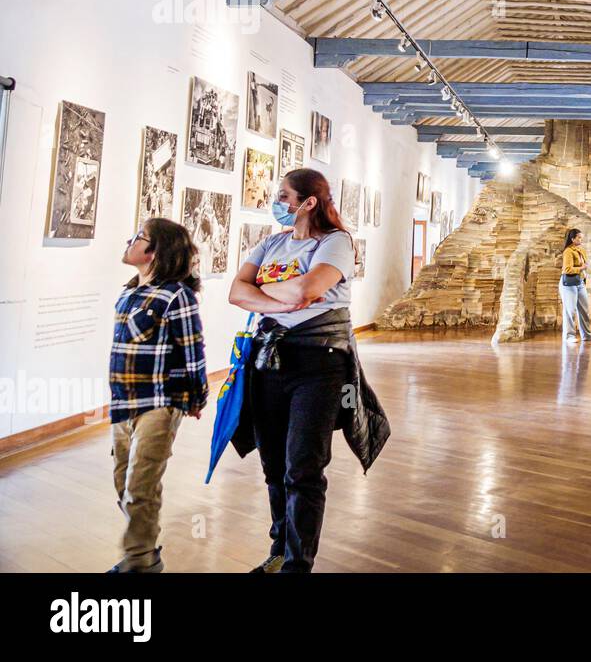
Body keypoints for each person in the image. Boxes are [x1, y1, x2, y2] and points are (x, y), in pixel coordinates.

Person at [228, 168, 389, 573]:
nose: (278, 203)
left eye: (283, 196)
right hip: (268, 361)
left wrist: (262, 295)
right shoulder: (271, 243)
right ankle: (279, 549)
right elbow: (235, 292)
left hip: (319, 363)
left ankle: (298, 565)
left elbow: (307, 290)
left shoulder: (335, 242)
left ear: (308, 201)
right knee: (273, 464)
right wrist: (282, 299)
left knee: (303, 465)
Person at [108, 218, 208, 573]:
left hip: (159, 403)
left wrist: (195, 398)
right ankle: (145, 553)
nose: (131, 241)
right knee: (123, 482)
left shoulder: (176, 295)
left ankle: (140, 561)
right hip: (122, 402)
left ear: (155, 251)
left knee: (140, 485)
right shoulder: (128, 291)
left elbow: (192, 350)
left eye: (139, 237)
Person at [559, 227, 591, 345]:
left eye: (581, 237)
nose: (581, 240)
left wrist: (586, 268)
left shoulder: (581, 250)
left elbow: (585, 265)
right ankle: (569, 336)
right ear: (572, 239)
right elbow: (567, 269)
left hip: (580, 283)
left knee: (584, 310)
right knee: (570, 311)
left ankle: (587, 335)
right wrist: (582, 268)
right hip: (569, 284)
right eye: (579, 237)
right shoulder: (568, 251)